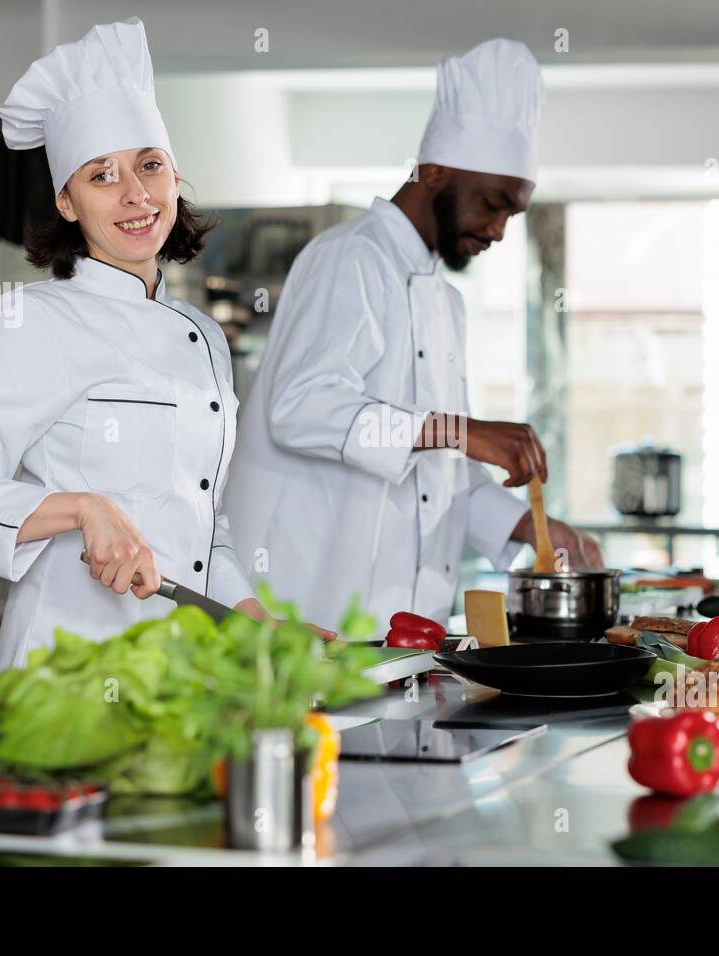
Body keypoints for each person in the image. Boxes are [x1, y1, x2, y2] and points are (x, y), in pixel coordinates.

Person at [0, 19, 294, 671]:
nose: (136, 194)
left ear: (173, 175)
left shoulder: (203, 338)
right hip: (67, 671)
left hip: (174, 679)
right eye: (102, 176)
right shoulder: (36, 322)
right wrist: (77, 510)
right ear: (67, 201)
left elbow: (201, 535)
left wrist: (259, 622)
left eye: (149, 165)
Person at [224, 39, 603, 632]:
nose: (499, 230)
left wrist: (526, 525)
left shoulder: (445, 302)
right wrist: (462, 431)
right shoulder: (349, 257)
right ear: (434, 172)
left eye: (512, 214)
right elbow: (301, 407)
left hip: (399, 634)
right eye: (491, 203)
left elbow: (443, 471)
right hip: (301, 618)